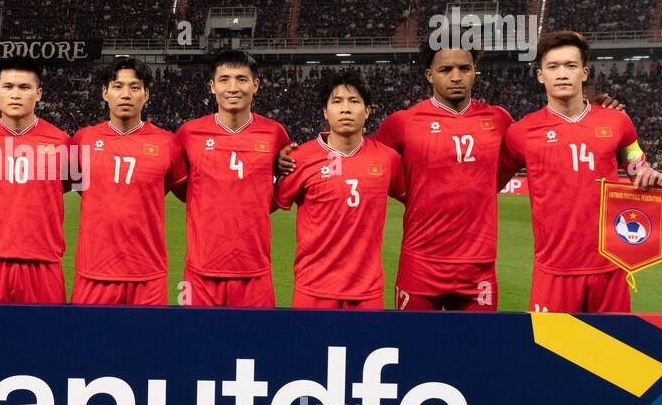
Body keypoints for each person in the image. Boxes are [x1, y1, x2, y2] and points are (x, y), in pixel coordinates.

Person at [499, 30, 662, 313]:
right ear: (541, 75)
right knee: (551, 356)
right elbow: (486, 183)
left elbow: (638, 167)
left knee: (612, 354)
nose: (562, 74)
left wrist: (649, 176)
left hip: (610, 267)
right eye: (553, 67)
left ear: (584, 73)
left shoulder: (618, 122)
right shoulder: (521, 133)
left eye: (570, 66)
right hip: (554, 272)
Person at [372, 46, 514, 310]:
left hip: (478, 265)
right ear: (429, 75)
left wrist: (596, 111)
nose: (456, 76)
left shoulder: (498, 119)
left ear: (475, 72)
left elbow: (530, 151)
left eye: (464, 68)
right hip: (421, 262)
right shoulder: (403, 122)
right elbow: (370, 163)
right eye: (446, 69)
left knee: (478, 350)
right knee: (416, 349)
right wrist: (408, 193)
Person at [274, 70, 406, 309]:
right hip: (313, 288)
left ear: (367, 111)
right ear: (325, 111)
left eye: (354, 101)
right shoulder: (299, 158)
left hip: (367, 290)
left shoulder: (388, 159)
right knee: (307, 347)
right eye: (337, 102)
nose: (346, 109)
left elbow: (411, 199)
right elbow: (271, 202)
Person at [173, 51, 290, 307]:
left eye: (242, 79)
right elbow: (182, 188)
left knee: (255, 346)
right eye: (224, 79)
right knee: (193, 344)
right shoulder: (188, 133)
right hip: (200, 271)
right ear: (212, 86)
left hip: (255, 271)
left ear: (255, 85)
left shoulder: (275, 133)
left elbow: (281, 187)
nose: (233, 87)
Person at [70, 57, 186, 306]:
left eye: (134, 87)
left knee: (148, 345)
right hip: (94, 272)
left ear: (146, 95)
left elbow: (174, 188)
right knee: (89, 343)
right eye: (117, 86)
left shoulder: (168, 143)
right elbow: (76, 186)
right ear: (105, 93)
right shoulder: (82, 140)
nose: (125, 94)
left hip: (148, 274)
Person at [0, 63, 72, 304]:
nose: (15, 94)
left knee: (45, 340)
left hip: (44, 264)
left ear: (39, 94)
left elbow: (67, 185)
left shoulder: (62, 142)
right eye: (8, 86)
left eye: (24, 87)